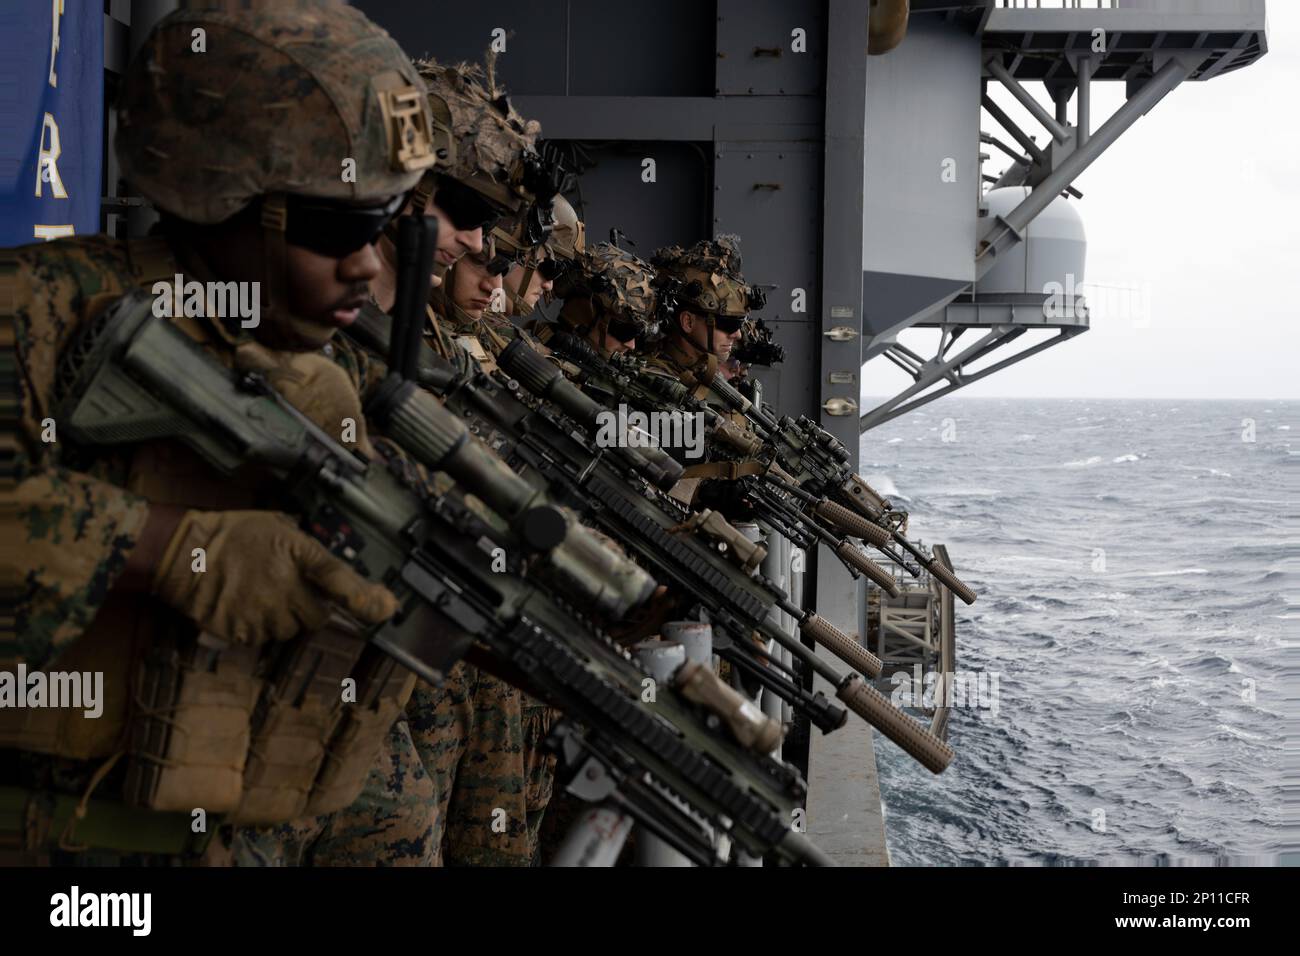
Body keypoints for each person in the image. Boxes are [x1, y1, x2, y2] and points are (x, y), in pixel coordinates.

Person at [0, 0, 435, 865]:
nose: (369, 264)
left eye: (386, 228)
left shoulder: (321, 370)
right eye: (335, 228)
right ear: (217, 192)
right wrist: (178, 551)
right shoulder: (38, 306)